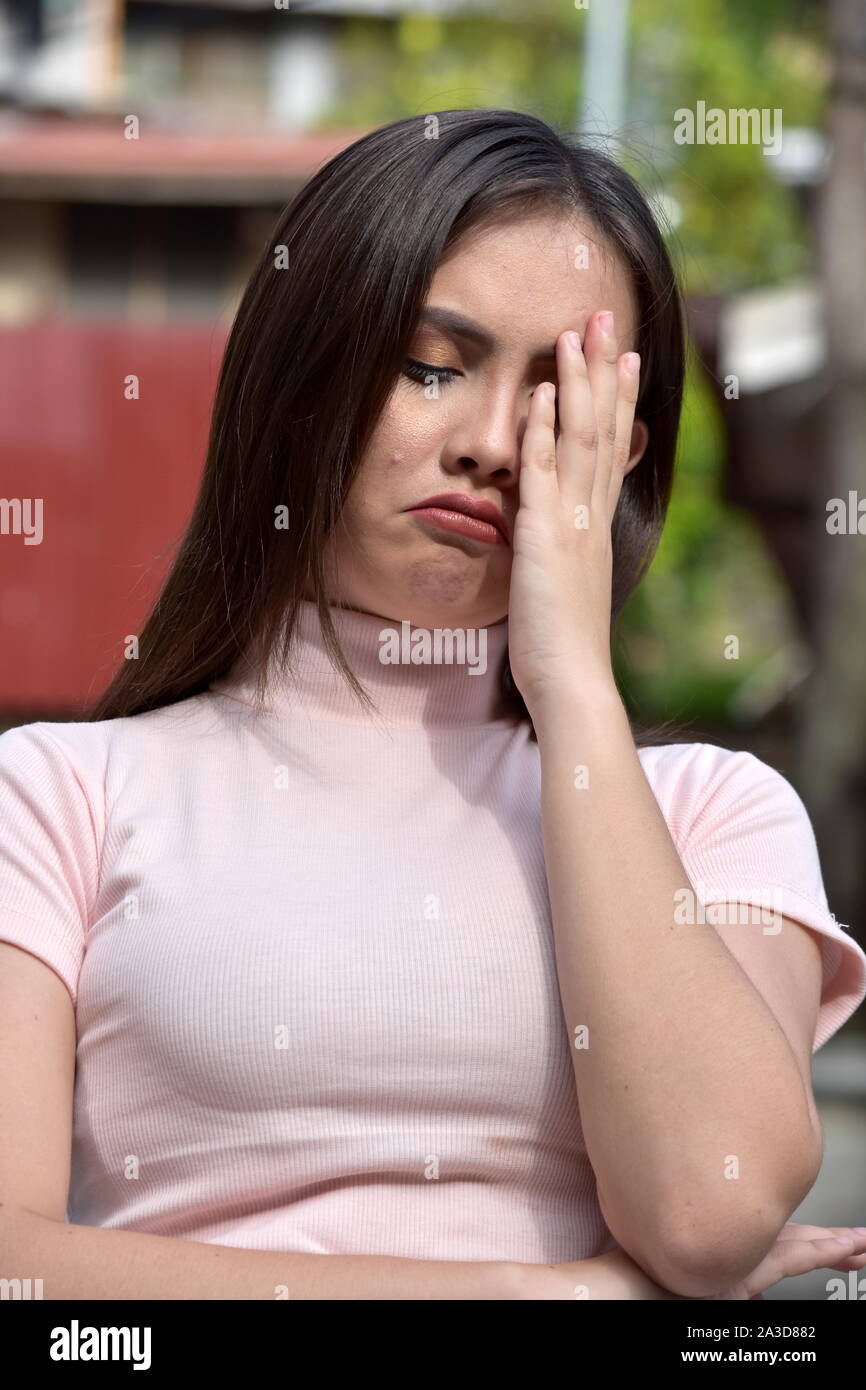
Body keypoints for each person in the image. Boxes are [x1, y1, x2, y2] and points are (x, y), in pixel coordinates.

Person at [1, 108, 865, 1301]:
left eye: (557, 403)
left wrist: (568, 678)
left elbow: (706, 1214)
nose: (493, 445)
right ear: (303, 377)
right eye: (430, 367)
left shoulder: (711, 815)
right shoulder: (60, 796)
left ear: (620, 455)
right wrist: (551, 1294)